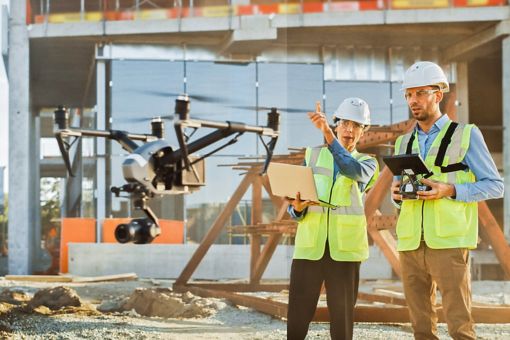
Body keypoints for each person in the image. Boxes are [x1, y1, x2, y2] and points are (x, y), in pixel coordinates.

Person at [391, 61, 504, 340]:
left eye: (419, 93)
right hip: (410, 244)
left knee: (460, 326)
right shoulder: (403, 142)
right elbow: (403, 195)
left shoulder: (466, 135)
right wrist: (397, 198)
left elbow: (495, 186)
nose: (412, 101)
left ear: (438, 95)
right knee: (420, 328)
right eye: (408, 94)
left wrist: (450, 190)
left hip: (449, 243)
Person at [286, 98, 379, 340]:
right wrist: (296, 209)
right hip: (309, 249)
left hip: (345, 251)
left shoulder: (367, 163)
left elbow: (351, 170)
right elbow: (296, 205)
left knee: (342, 320)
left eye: (357, 125)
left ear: (363, 131)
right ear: (337, 124)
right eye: (345, 123)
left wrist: (327, 134)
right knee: (297, 317)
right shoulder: (312, 155)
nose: (350, 130)